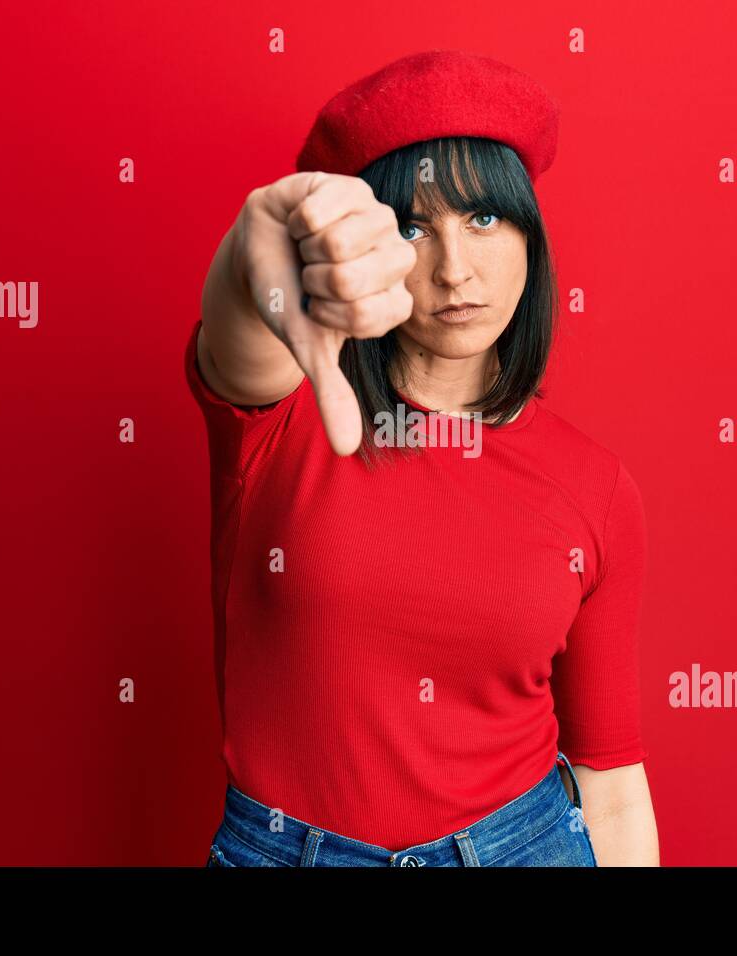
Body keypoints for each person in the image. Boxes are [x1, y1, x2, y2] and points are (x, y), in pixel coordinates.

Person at [188, 50, 660, 866]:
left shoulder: (599, 488)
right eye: (412, 225)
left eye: (483, 218)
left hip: (525, 844)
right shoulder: (284, 410)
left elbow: (612, 784)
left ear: (530, 235)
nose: (452, 268)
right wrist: (249, 251)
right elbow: (244, 328)